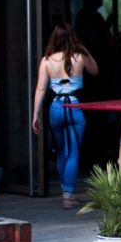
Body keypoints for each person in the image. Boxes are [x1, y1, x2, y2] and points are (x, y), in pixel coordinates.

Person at [31, 24, 99, 209]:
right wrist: (83, 48)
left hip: (55, 108)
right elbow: (95, 70)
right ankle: (68, 196)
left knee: (61, 150)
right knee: (73, 152)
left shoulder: (46, 60)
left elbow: (40, 89)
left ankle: (65, 189)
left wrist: (35, 115)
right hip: (74, 106)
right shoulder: (80, 56)